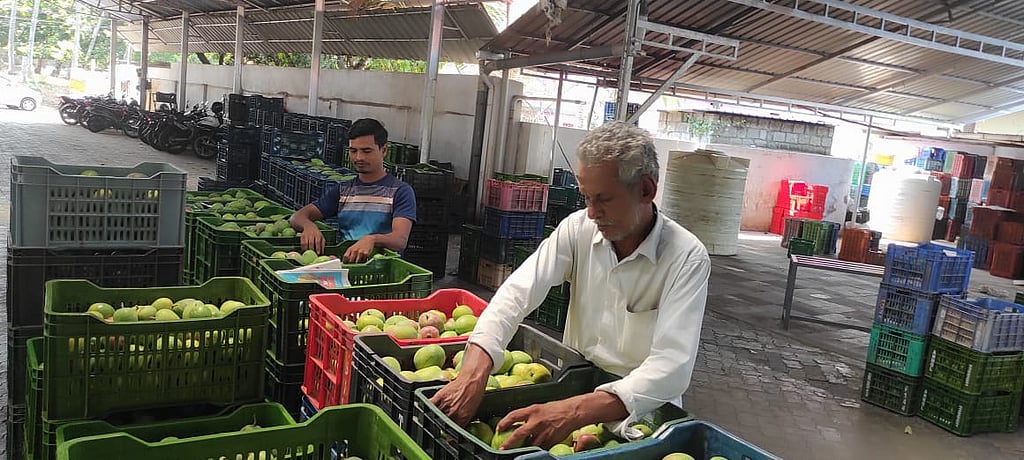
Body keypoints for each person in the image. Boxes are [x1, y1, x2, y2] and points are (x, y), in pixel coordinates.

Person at [430, 121, 710, 449]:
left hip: (644, 415)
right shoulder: (578, 230)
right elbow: (516, 294)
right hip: (574, 391)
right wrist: (474, 373)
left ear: (646, 190)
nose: (592, 213)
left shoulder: (686, 257)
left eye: (604, 199)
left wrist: (574, 410)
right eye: (586, 198)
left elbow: (671, 366)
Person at [289, 118, 416, 263]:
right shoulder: (343, 190)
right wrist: (308, 226)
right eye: (353, 151)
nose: (359, 157)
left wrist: (372, 239)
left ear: (384, 150)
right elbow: (297, 217)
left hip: (381, 269)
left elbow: (400, 239)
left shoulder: (400, 191)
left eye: (366, 151)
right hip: (347, 267)